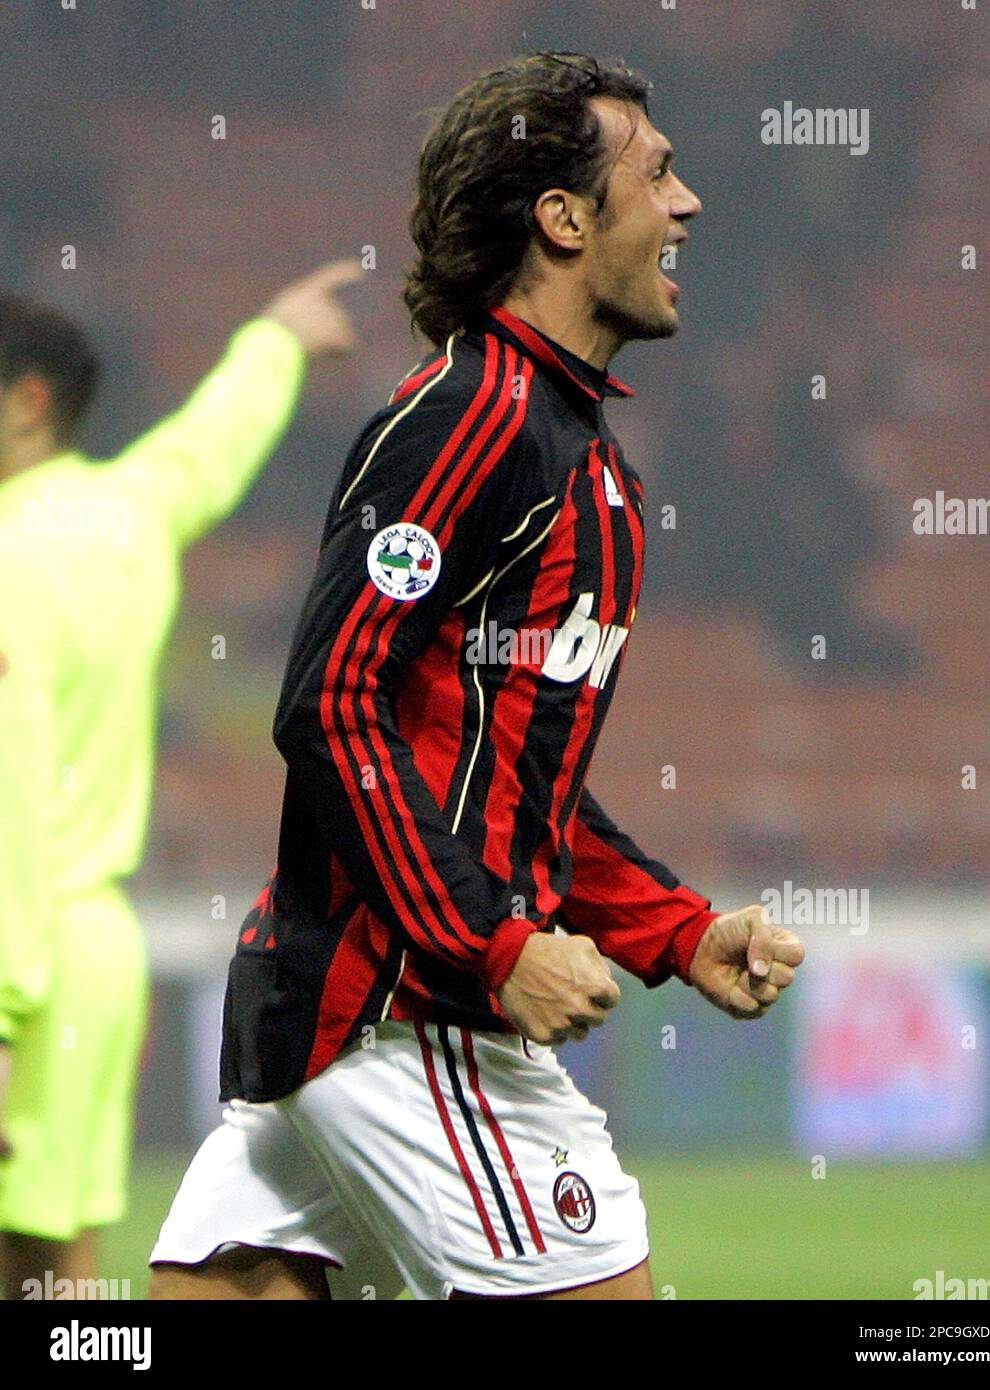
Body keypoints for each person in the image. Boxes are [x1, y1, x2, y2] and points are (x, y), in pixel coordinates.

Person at [149, 53, 805, 1303]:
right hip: (407, 1011)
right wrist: (496, 945)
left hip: (367, 1005)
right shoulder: (471, 415)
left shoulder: (590, 465)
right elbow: (327, 702)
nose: (688, 203)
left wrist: (673, 928)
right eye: (655, 173)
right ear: (561, 219)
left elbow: (511, 787)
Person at [0, 261, 361, 1299]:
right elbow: (212, 443)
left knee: (30, 1263)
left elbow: (11, 793)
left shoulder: (13, 556)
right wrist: (279, 337)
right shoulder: (127, 511)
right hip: (91, 950)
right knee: (56, 1259)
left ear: (29, 401)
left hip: (22, 951)